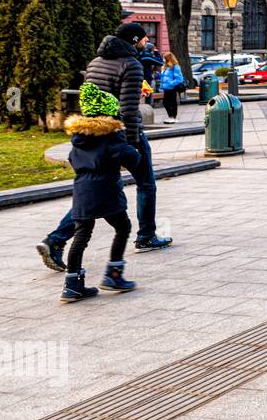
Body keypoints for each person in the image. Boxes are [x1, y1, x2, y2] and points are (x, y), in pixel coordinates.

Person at [37, 23, 171, 274]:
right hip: (121, 132)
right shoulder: (131, 65)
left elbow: (89, 97)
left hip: (96, 131)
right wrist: (132, 145)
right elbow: (129, 109)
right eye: (143, 40)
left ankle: (55, 239)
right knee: (146, 183)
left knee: (96, 191)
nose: (145, 44)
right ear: (134, 41)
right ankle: (146, 236)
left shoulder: (96, 61)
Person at [59, 82, 141, 302]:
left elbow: (71, 159)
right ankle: (114, 275)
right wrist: (133, 151)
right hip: (106, 191)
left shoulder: (79, 139)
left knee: (81, 236)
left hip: (82, 191)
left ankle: (72, 285)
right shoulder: (112, 137)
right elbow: (131, 158)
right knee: (123, 227)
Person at [158, 52, 184, 124]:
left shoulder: (175, 66)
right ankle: (171, 117)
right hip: (166, 88)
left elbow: (179, 79)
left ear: (168, 58)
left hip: (172, 88)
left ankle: (173, 117)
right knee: (166, 103)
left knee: (172, 102)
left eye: (164, 58)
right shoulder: (166, 66)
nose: (163, 59)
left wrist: (171, 84)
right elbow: (164, 77)